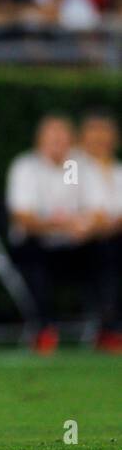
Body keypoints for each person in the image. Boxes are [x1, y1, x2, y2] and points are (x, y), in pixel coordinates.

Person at [6, 113, 117, 353]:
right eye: (52, 138)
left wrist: (86, 228)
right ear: (40, 141)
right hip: (37, 246)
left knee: (109, 251)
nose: (58, 144)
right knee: (32, 256)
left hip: (75, 246)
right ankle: (43, 329)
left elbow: (99, 210)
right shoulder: (25, 167)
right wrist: (59, 226)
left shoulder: (82, 166)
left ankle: (109, 330)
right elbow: (23, 217)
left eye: (63, 138)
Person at [79, 110, 122, 352]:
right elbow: (68, 200)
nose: (100, 139)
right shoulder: (73, 165)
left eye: (105, 133)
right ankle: (109, 329)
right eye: (94, 133)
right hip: (85, 243)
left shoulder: (118, 170)